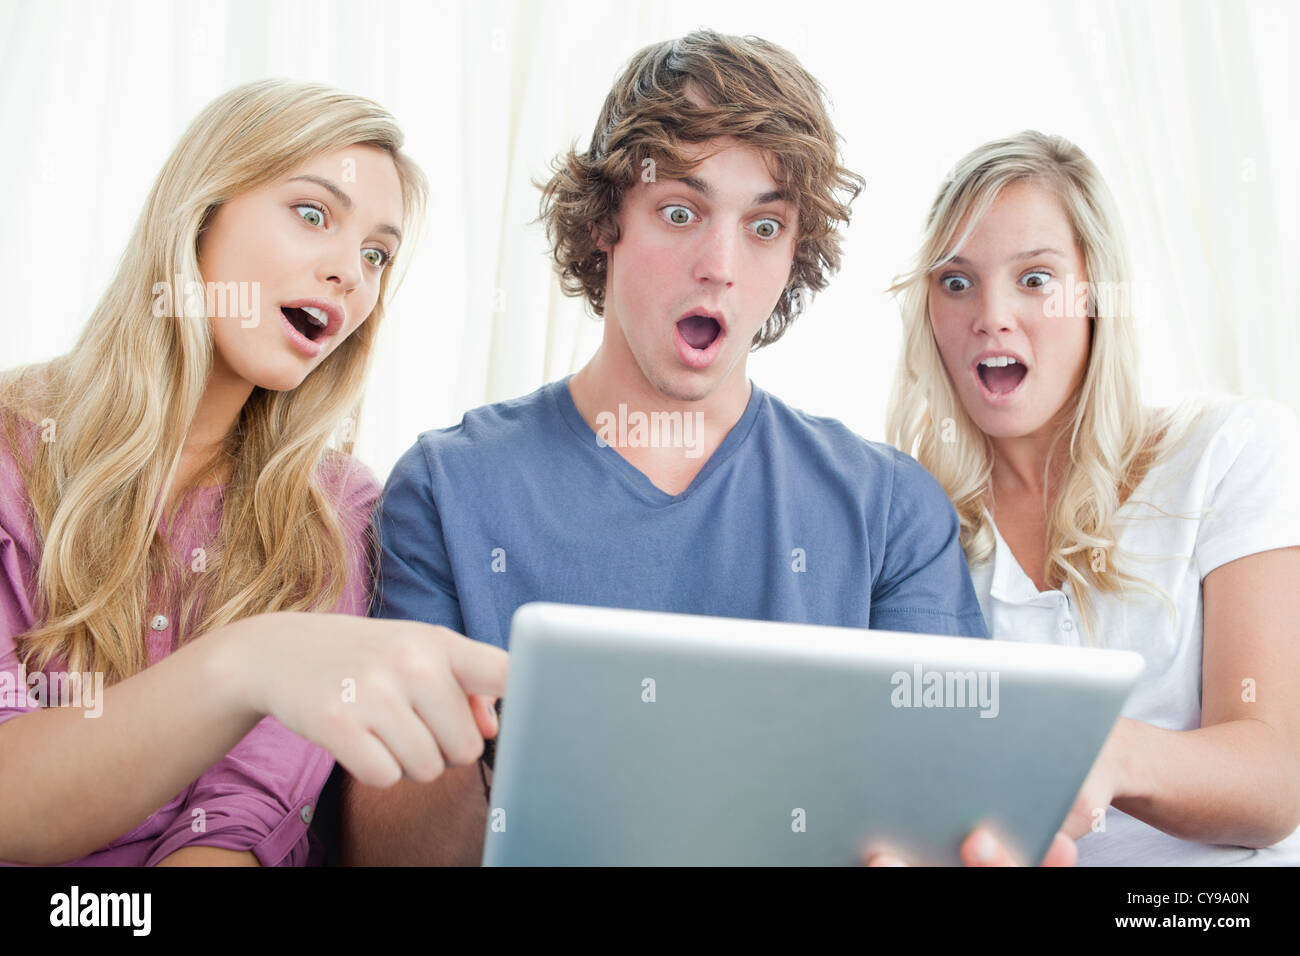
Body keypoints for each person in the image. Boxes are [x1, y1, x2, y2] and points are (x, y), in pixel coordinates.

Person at [343, 30, 994, 867]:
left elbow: (944, 810)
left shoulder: (890, 510)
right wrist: (454, 745)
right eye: (680, 212)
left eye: (764, 226)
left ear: (796, 254)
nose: (719, 265)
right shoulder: (445, 488)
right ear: (605, 221)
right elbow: (393, 855)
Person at [0, 79, 506, 867]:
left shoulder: (335, 510)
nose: (351, 273)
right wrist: (246, 666)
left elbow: (239, 824)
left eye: (377, 254)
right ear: (199, 212)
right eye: (314, 215)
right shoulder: (12, 447)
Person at [884, 130, 1300, 865]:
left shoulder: (1230, 452)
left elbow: (1274, 781)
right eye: (957, 282)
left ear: (1096, 296)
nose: (991, 314)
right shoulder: (913, 532)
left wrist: (1106, 756)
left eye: (1035, 278)